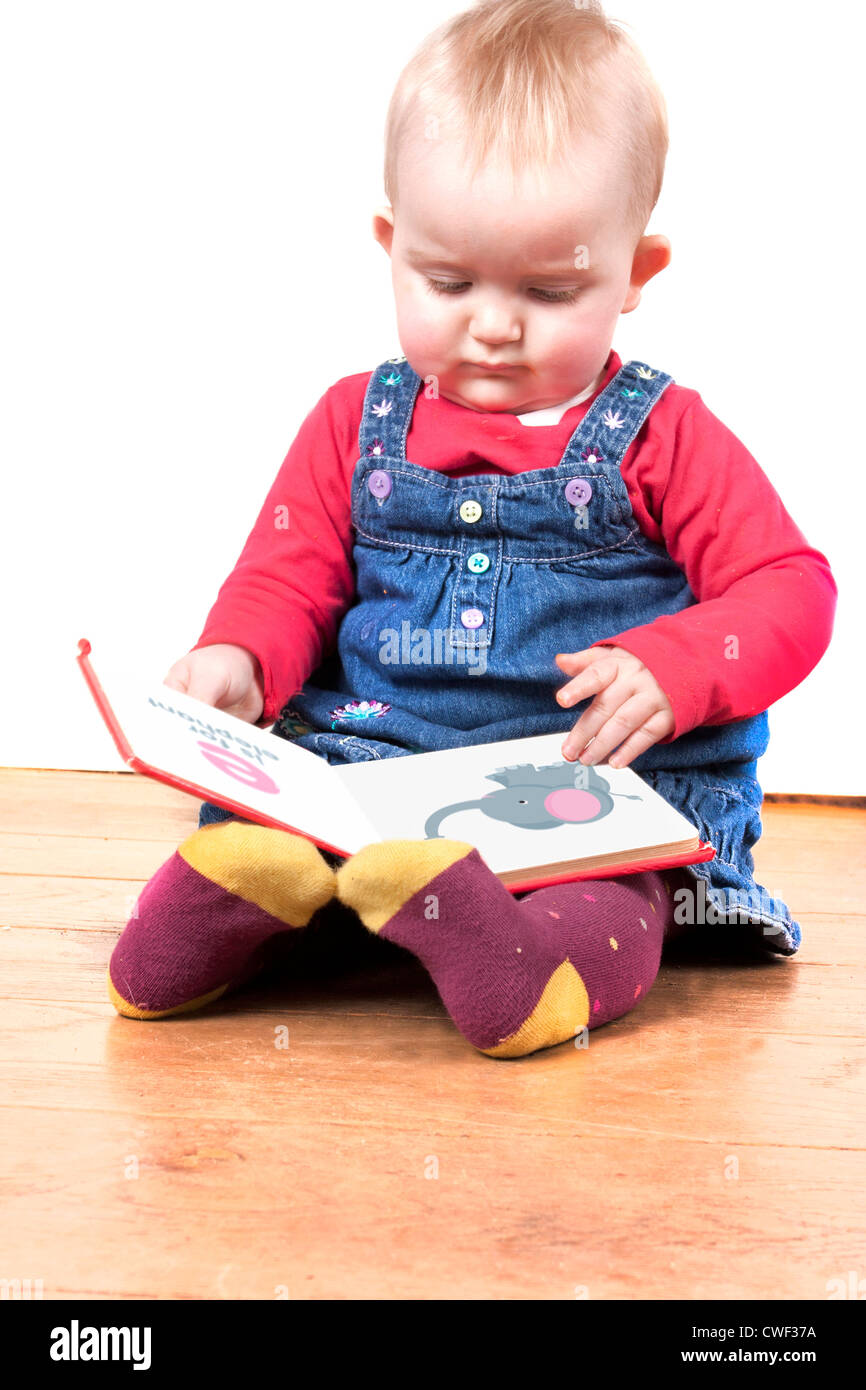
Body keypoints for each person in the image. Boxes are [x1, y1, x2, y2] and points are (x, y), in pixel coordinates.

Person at [107, 0, 836, 1057]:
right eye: (446, 281)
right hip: (378, 761)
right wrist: (237, 660)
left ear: (636, 273)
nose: (491, 324)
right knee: (280, 836)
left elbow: (789, 586)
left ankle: (520, 965)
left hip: (587, 792)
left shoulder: (659, 435)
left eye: (549, 289)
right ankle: (214, 929)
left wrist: (677, 667)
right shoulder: (352, 420)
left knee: (617, 904)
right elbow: (287, 576)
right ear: (390, 246)